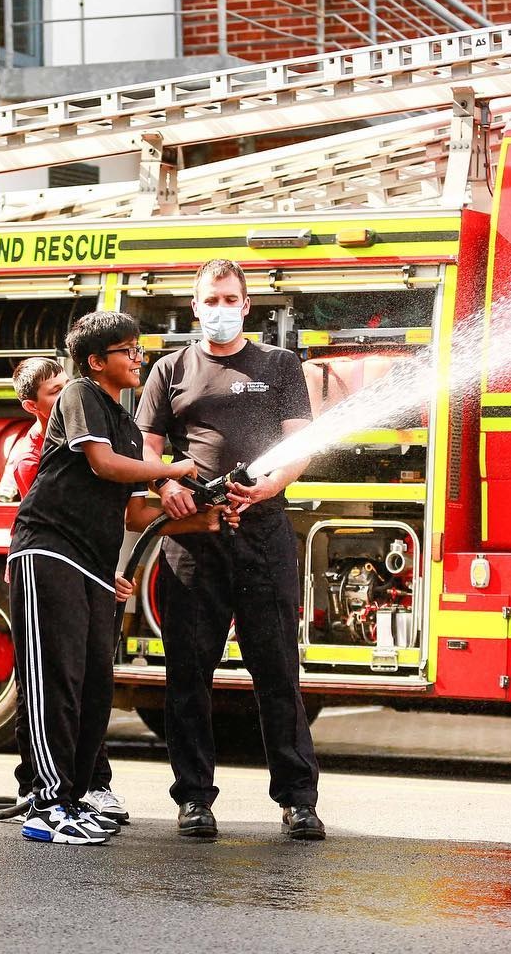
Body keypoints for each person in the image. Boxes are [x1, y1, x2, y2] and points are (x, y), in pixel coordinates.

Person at [135, 258, 326, 841]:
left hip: (265, 530)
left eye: (229, 299)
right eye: (209, 300)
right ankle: (194, 798)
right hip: (194, 537)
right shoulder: (169, 370)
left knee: (277, 670)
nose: (219, 309)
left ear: (247, 306)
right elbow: (146, 450)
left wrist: (270, 485)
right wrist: (166, 486)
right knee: (188, 672)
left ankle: (298, 801)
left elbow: (303, 444)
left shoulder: (279, 364)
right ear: (194, 307)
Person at [7, 312, 196, 845]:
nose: (139, 358)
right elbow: (103, 466)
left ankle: (75, 795)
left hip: (93, 563)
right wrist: (172, 470)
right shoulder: (80, 393)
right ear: (96, 361)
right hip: (50, 550)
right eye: (127, 350)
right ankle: (45, 806)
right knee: (56, 681)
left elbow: (133, 513)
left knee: (93, 686)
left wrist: (202, 513)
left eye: (139, 348)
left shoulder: (126, 425)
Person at [4, 356, 129, 825]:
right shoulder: (32, 457)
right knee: (45, 683)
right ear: (30, 405)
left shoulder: (95, 431)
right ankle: (39, 791)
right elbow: (60, 514)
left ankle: (89, 785)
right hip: (48, 568)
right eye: (54, 392)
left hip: (86, 567)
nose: (67, 396)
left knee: (89, 681)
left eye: (66, 386)